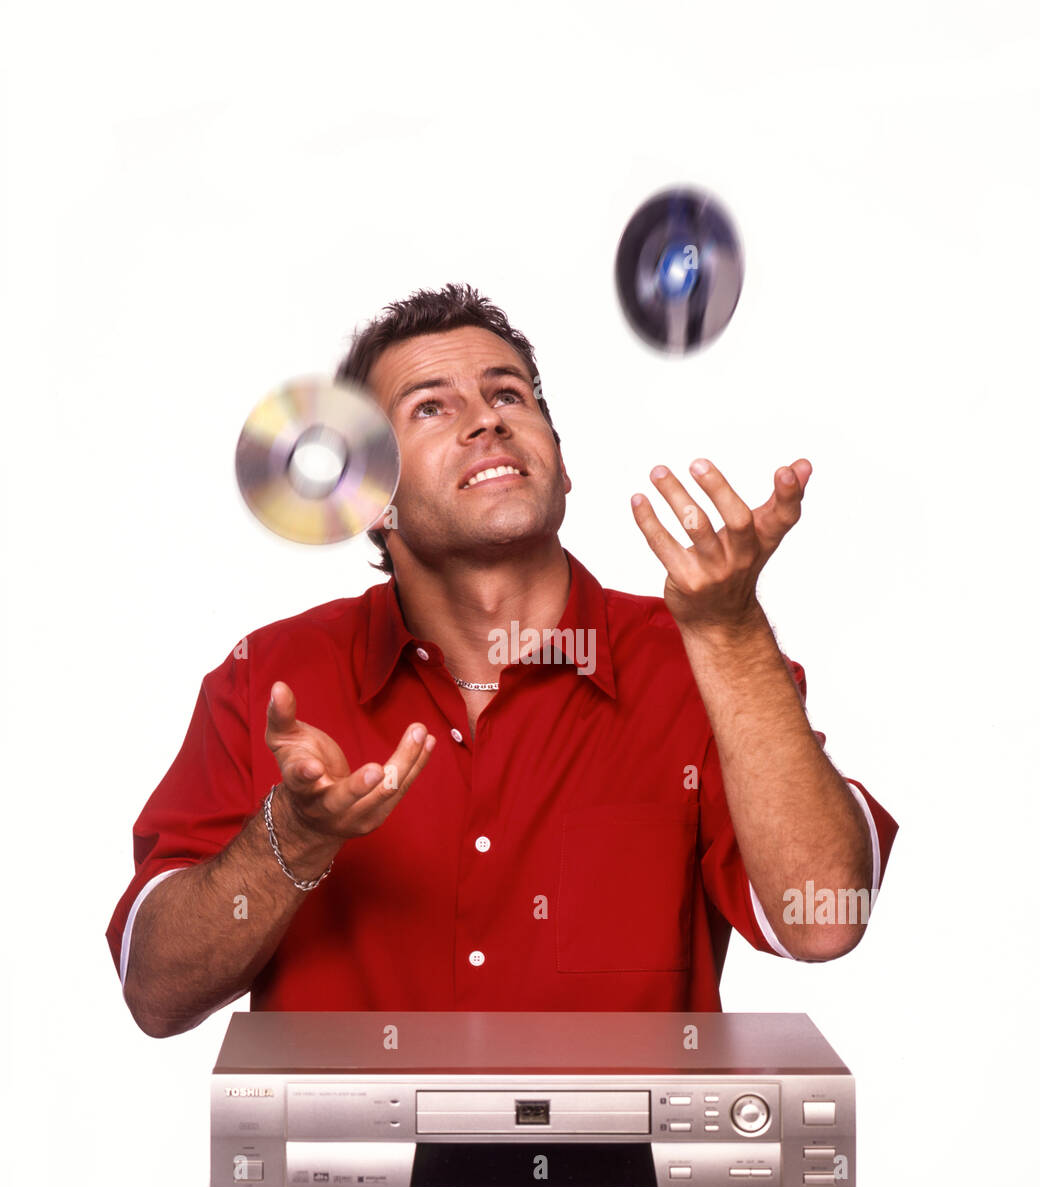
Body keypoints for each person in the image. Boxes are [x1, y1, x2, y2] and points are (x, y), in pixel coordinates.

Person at [108, 283, 898, 1037]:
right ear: (366, 498)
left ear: (559, 460)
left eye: (508, 395)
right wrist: (295, 838)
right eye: (431, 407)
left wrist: (729, 636)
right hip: (348, 1184)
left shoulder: (706, 662)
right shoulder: (269, 679)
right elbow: (157, 991)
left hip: (624, 1182)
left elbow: (824, 919)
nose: (486, 421)